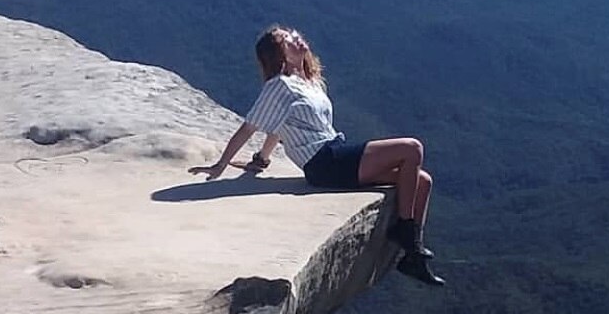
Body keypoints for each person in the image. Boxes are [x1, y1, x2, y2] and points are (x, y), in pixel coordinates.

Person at [189, 25, 444, 287]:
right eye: (288, 41)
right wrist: (220, 165)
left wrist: (261, 160)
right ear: (280, 56)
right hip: (325, 163)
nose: (297, 39)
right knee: (412, 149)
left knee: (422, 181)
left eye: (294, 36)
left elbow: (279, 126)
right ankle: (405, 229)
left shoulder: (307, 81)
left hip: (334, 153)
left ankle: (413, 254)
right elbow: (250, 126)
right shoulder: (279, 86)